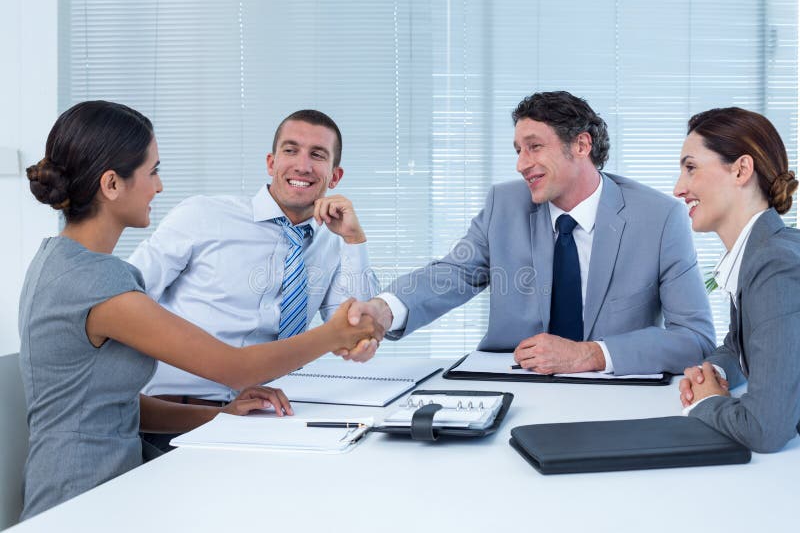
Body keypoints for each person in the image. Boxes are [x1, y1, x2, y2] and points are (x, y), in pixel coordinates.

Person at [18, 101, 380, 520]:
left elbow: (112, 403)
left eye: (317, 155)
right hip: (80, 501)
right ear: (112, 184)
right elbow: (235, 368)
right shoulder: (98, 284)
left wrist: (221, 415)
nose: (159, 186)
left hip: (124, 480)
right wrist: (334, 334)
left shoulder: (63, 261)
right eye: (152, 171)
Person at [344, 91, 715, 375]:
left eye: (535, 147)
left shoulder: (658, 217)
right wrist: (384, 310)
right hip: (518, 384)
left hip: (614, 390)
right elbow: (452, 274)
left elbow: (694, 338)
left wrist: (590, 354)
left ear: (581, 145)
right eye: (519, 150)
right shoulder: (505, 205)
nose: (521, 164)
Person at [127, 109, 379, 449]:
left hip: (269, 419)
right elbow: (127, 300)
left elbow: (358, 331)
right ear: (270, 162)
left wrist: (353, 240)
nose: (302, 165)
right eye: (291, 150)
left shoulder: (333, 242)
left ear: (334, 176)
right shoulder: (202, 216)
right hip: (179, 419)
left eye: (317, 155)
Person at [674, 107, 800, 453]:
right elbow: (742, 342)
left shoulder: (774, 264)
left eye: (691, 168)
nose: (678, 188)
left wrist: (703, 403)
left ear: (742, 169)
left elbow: (766, 429)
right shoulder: (767, 250)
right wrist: (711, 373)